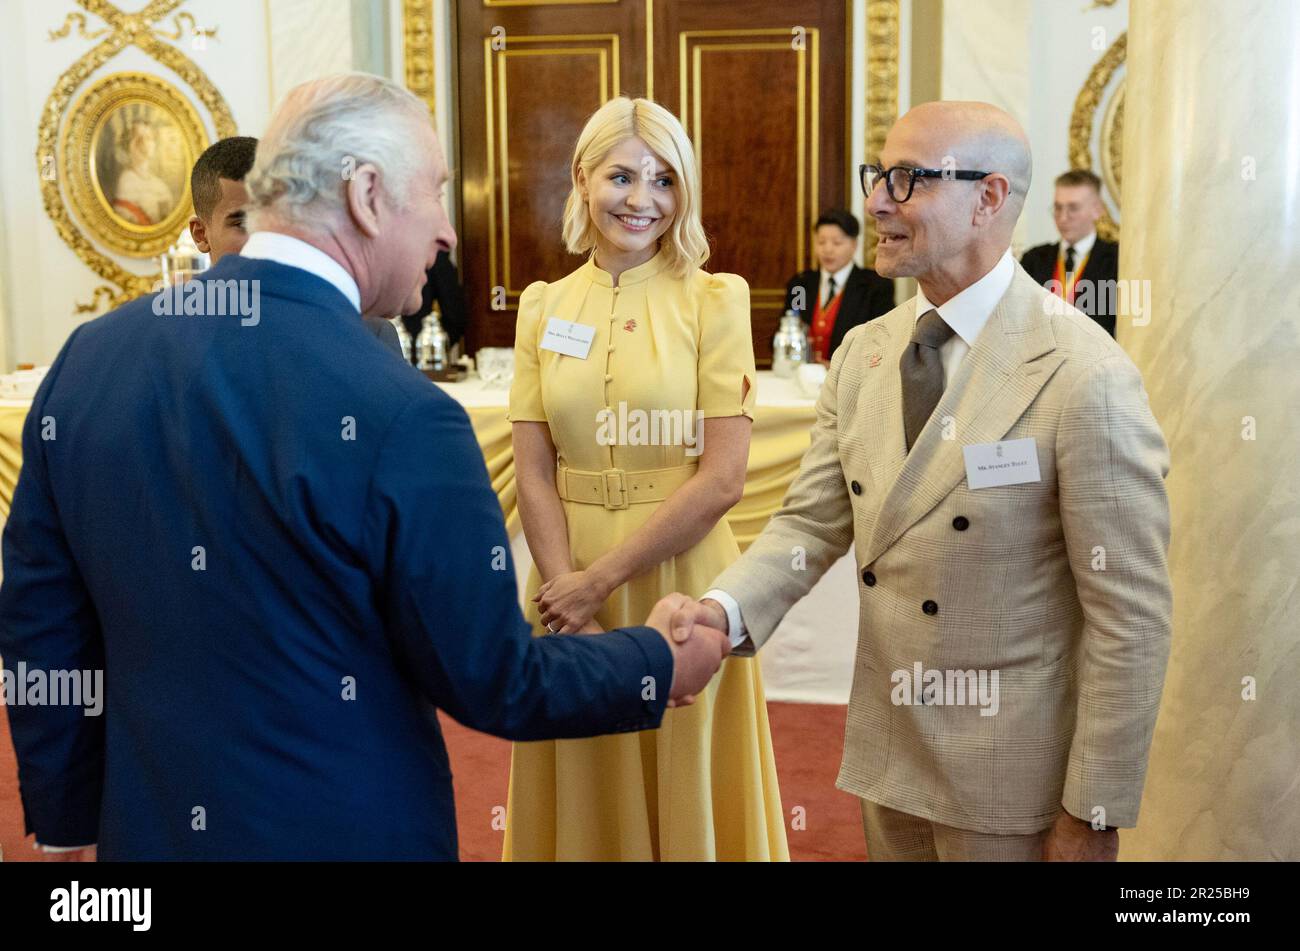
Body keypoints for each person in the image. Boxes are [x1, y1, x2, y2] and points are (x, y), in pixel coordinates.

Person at [0, 74, 729, 861]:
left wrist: (68, 818)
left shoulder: (88, 360)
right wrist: (656, 658)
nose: (448, 232)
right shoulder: (406, 415)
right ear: (368, 194)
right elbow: (493, 678)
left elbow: (42, 615)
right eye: (437, 193)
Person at [675, 101, 1172, 861]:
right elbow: (810, 526)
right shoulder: (863, 354)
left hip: (1012, 781)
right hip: (889, 752)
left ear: (990, 198)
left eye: (908, 179)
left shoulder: (1084, 374)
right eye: (879, 175)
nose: (877, 200)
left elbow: (1130, 617)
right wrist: (721, 611)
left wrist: (1094, 809)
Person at [502, 96, 788, 861]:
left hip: (682, 573)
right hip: (567, 579)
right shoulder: (542, 307)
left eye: (664, 180)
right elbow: (534, 469)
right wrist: (568, 593)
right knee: (588, 764)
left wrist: (598, 583)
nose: (642, 199)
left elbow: (724, 478)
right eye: (622, 176)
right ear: (582, 177)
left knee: (684, 759)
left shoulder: (714, 299)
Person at [189, 135, 402, 355]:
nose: (265, 239)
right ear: (201, 235)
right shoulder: (167, 338)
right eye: (242, 223)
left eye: (278, 220)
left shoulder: (368, 336)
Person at [783, 208, 895, 361]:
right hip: (803, 373)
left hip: (849, 376)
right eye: (821, 242)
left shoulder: (874, 286)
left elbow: (881, 341)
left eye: (837, 243)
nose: (827, 250)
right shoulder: (801, 285)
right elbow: (791, 321)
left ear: (854, 245)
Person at [1020, 169, 1119, 337]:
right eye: (1058, 208)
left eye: (1073, 208)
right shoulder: (1034, 259)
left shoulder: (1117, 260)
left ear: (1098, 210)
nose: (1063, 218)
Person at [112, 120, 174, 225]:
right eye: (138, 138)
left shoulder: (160, 185)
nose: (144, 143)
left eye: (149, 138)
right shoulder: (126, 181)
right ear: (129, 145)